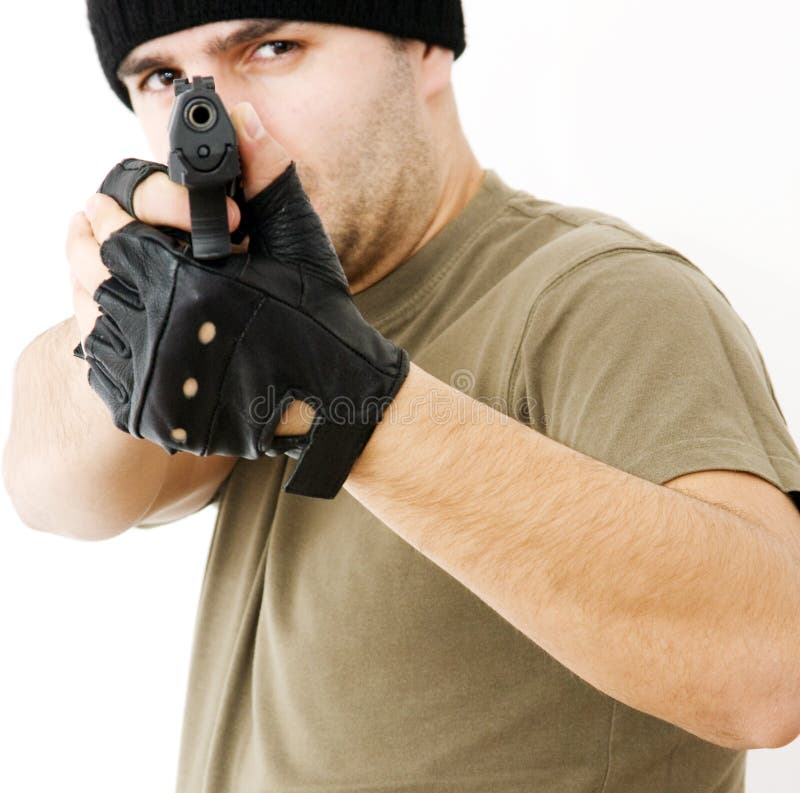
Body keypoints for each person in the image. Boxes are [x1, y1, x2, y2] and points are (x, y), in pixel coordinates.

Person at [5, 1, 800, 791]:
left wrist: (342, 395)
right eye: (162, 77)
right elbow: (50, 490)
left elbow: (773, 668)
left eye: (274, 48)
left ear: (424, 47)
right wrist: (114, 318)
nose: (217, 120)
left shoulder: (602, 296)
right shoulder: (236, 319)